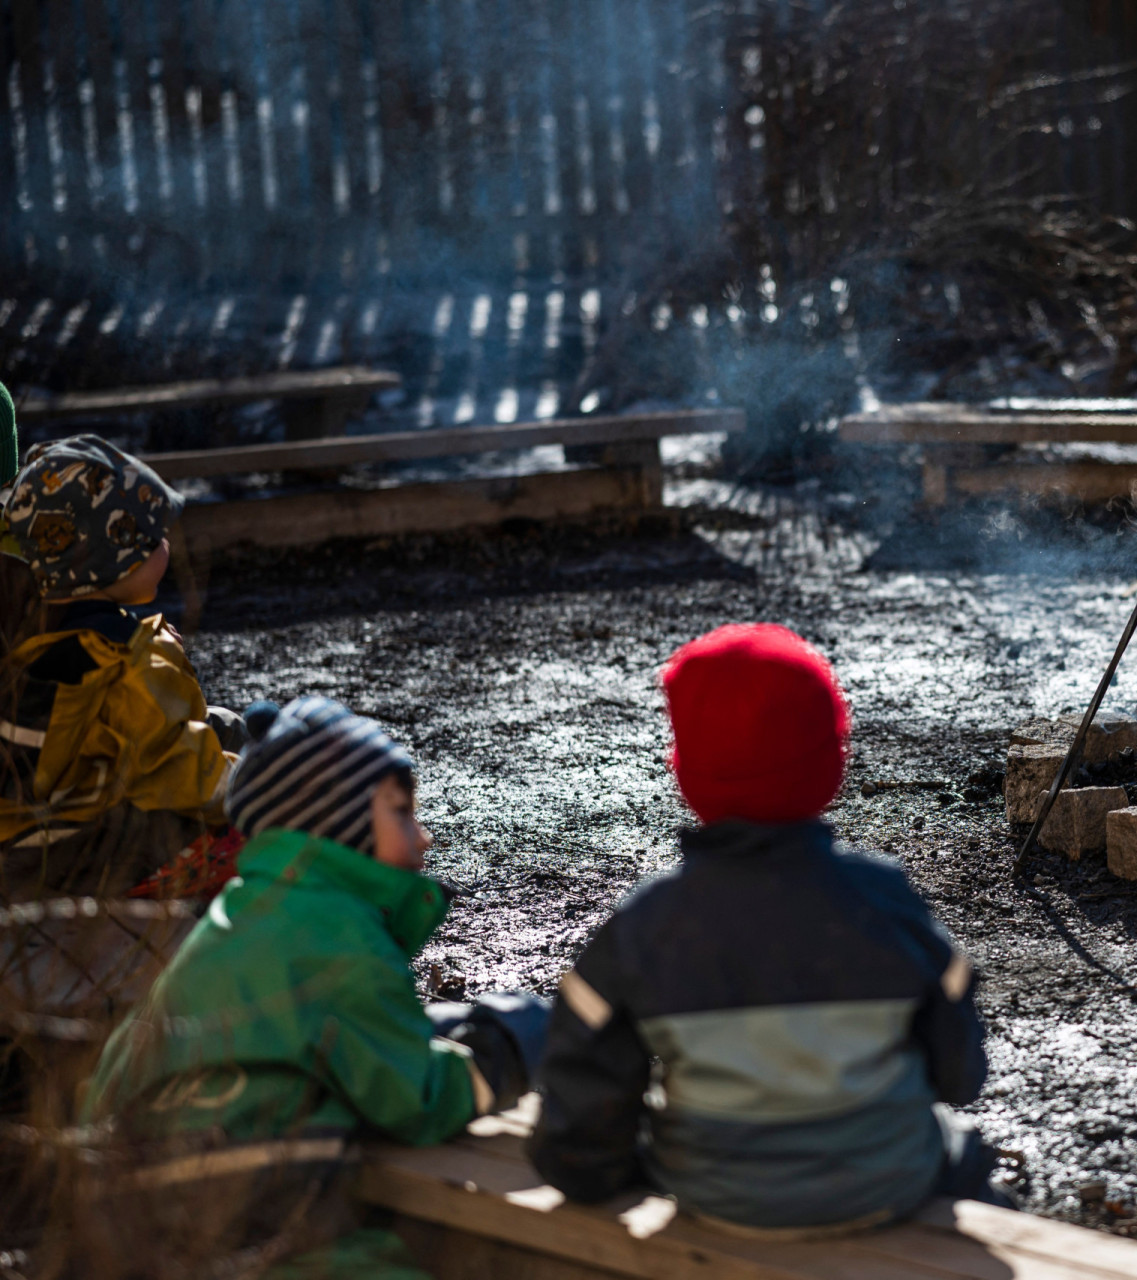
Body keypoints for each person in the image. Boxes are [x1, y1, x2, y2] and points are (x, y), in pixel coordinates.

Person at [529, 623, 997, 1233]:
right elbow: (960, 1073)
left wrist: (590, 1174)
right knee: (972, 1158)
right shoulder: (886, 901)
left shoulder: (647, 925)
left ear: (687, 773)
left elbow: (585, 1099)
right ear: (832, 762)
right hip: (883, 1184)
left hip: (716, 1193)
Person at [82, 696, 547, 1277]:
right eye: (402, 812)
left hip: (134, 1228)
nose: (424, 836)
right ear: (339, 824)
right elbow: (416, 1100)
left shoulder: (235, 916)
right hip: (254, 1235)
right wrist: (509, 1047)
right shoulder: (340, 937)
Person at [0, 436, 249, 897]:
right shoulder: (129, 660)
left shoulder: (32, 638)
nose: (166, 543)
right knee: (256, 828)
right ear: (113, 560)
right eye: (153, 537)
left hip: (20, 845)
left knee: (228, 726)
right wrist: (260, 789)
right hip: (76, 862)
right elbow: (187, 775)